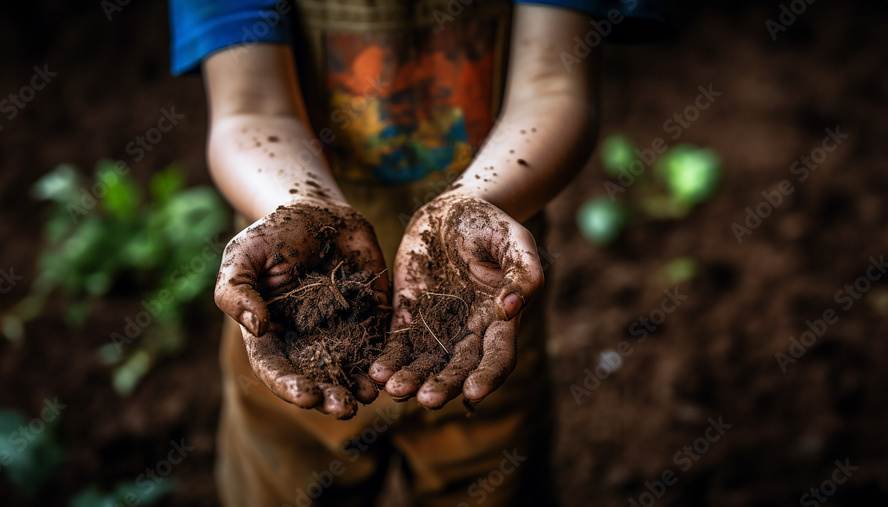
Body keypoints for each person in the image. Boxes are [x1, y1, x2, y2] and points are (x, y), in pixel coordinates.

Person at [169, 0, 668, 504]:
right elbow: (251, 109)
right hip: (292, 304)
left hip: (483, 302)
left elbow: (555, 87)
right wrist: (298, 205)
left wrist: (473, 201)